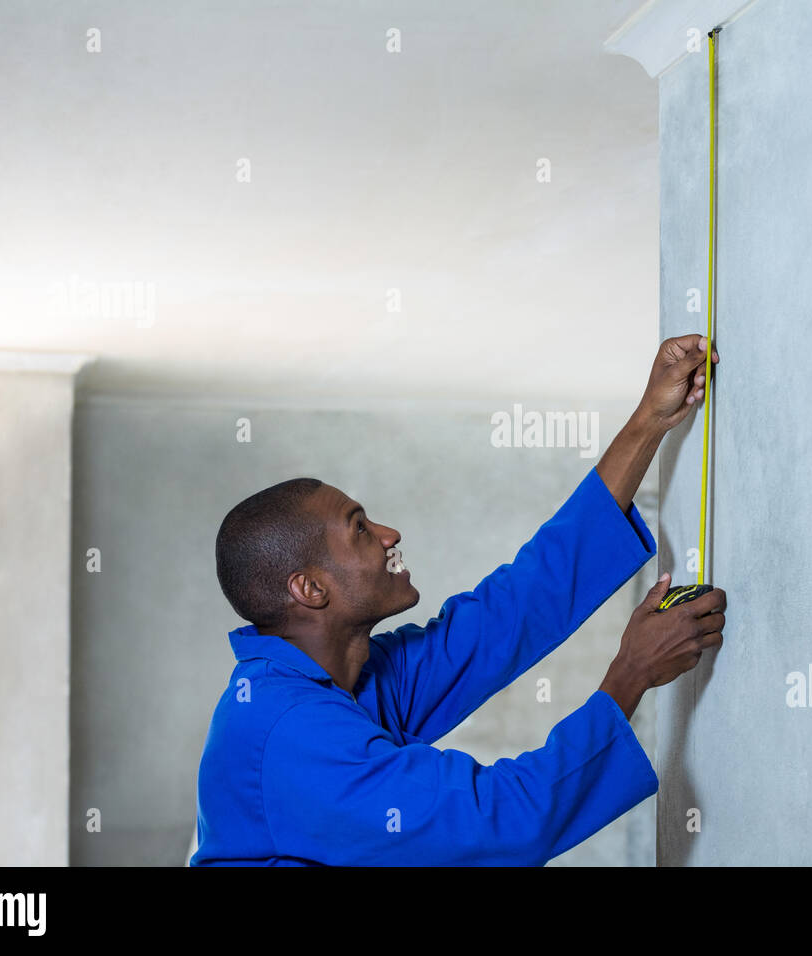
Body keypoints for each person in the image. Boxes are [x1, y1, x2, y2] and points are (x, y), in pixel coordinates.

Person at [190, 333, 727, 866]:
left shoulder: (354, 679)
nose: (389, 533)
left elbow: (510, 613)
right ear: (311, 589)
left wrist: (650, 420)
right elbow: (497, 822)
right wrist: (632, 672)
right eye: (359, 528)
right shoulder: (289, 732)